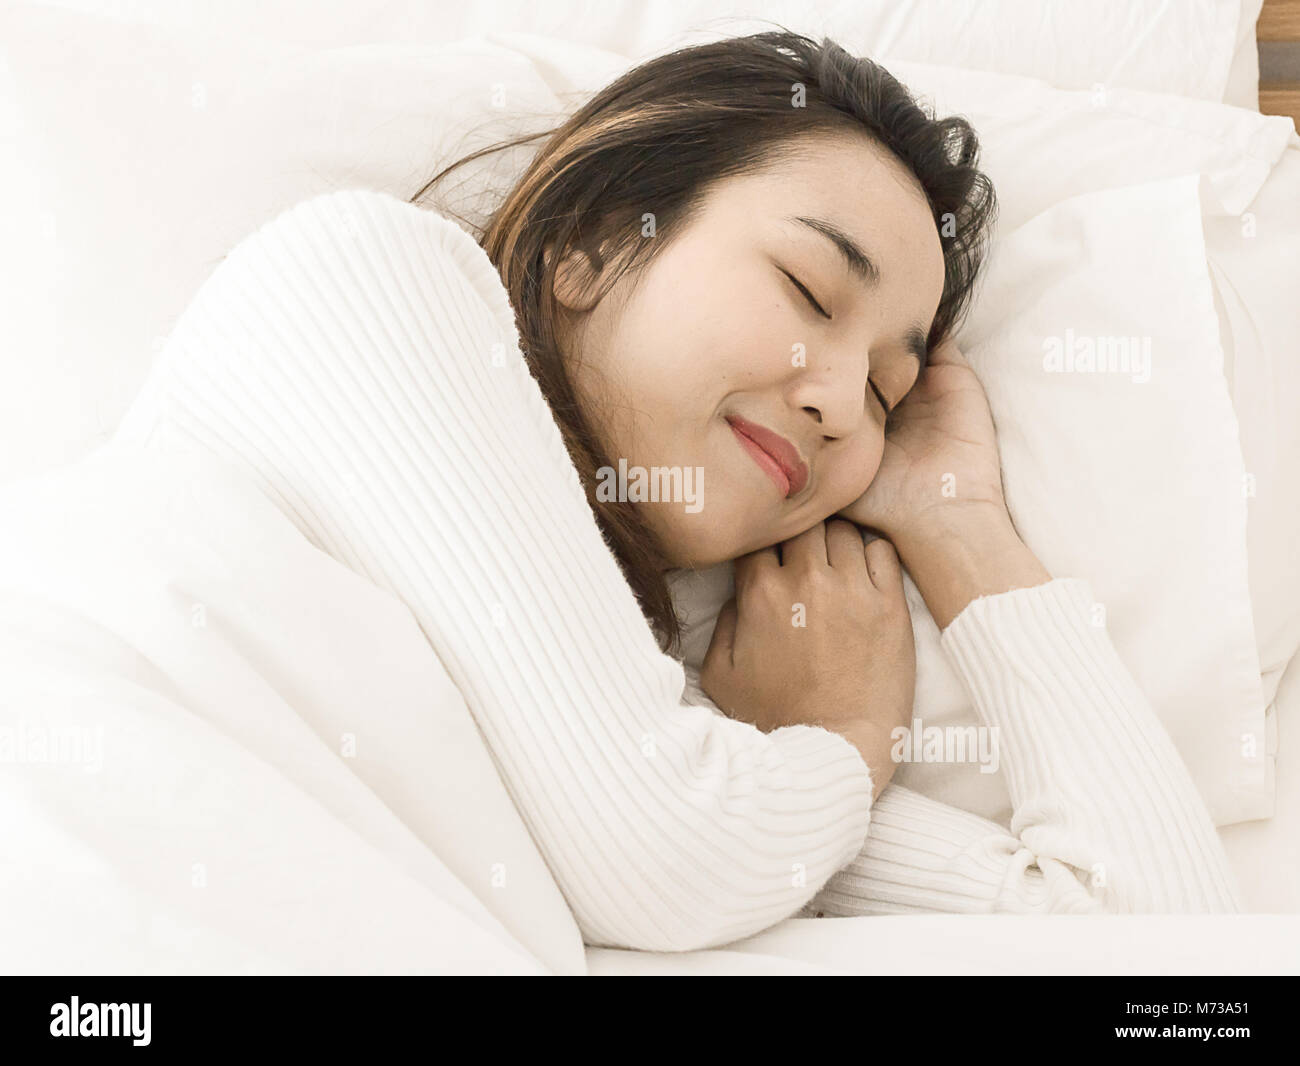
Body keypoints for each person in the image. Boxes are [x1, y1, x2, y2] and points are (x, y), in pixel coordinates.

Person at [117, 30, 1240, 952]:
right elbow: (664, 854)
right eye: (806, 287)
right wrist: (846, 727)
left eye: (888, 396)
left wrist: (961, 528)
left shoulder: (711, 744)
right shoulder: (356, 275)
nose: (845, 403)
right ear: (595, 243)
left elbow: (1163, 952)